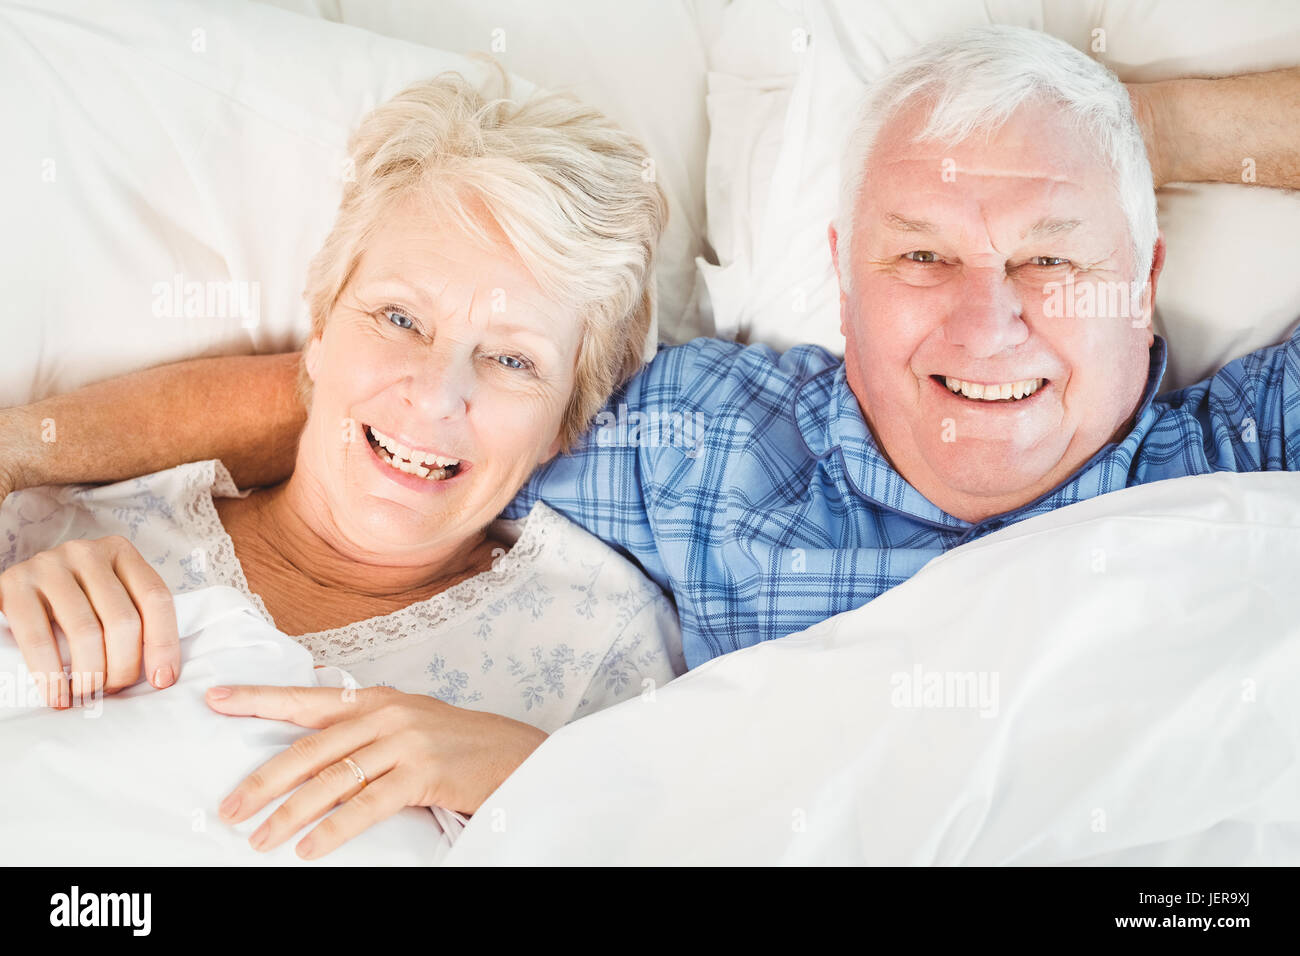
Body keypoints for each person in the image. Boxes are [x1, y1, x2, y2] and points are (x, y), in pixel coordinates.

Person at [4, 26, 1298, 669]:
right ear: (842, 283)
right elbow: (411, 406)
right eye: (922, 256)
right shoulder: (703, 441)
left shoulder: (1246, 451)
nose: (986, 319)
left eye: (1054, 257)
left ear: (1148, 282)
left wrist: (1132, 124)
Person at [0, 68, 681, 859]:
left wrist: (527, 776)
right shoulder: (65, 521)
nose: (434, 397)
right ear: (320, 332)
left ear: (568, 421)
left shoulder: (599, 640)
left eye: (511, 360)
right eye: (400, 319)